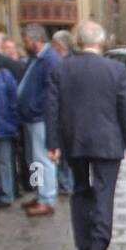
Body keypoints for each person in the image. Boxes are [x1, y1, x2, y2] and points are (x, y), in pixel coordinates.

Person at [45, 20, 126, 250]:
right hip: (108, 142)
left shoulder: (61, 69)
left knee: (80, 190)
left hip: (74, 141)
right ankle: (98, 247)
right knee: (104, 193)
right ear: (101, 41)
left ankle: (83, 244)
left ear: (79, 42)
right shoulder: (116, 70)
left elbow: (51, 109)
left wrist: (53, 144)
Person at [17, 23, 60, 216]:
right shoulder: (37, 59)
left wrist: (33, 107)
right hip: (31, 118)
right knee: (35, 161)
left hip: (40, 118)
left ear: (36, 40)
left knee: (43, 159)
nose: (24, 44)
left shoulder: (50, 60)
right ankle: (39, 193)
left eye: (26, 41)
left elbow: (50, 92)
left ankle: (47, 198)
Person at [0, 44, 20, 208]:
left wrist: (13, 123)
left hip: (3, 127)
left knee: (4, 163)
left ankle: (7, 194)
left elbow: (14, 101)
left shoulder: (4, 75)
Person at [50, 30, 76, 195]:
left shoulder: (61, 65)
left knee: (65, 156)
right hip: (71, 117)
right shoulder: (73, 62)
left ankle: (67, 184)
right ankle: (68, 184)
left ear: (59, 47)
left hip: (65, 116)